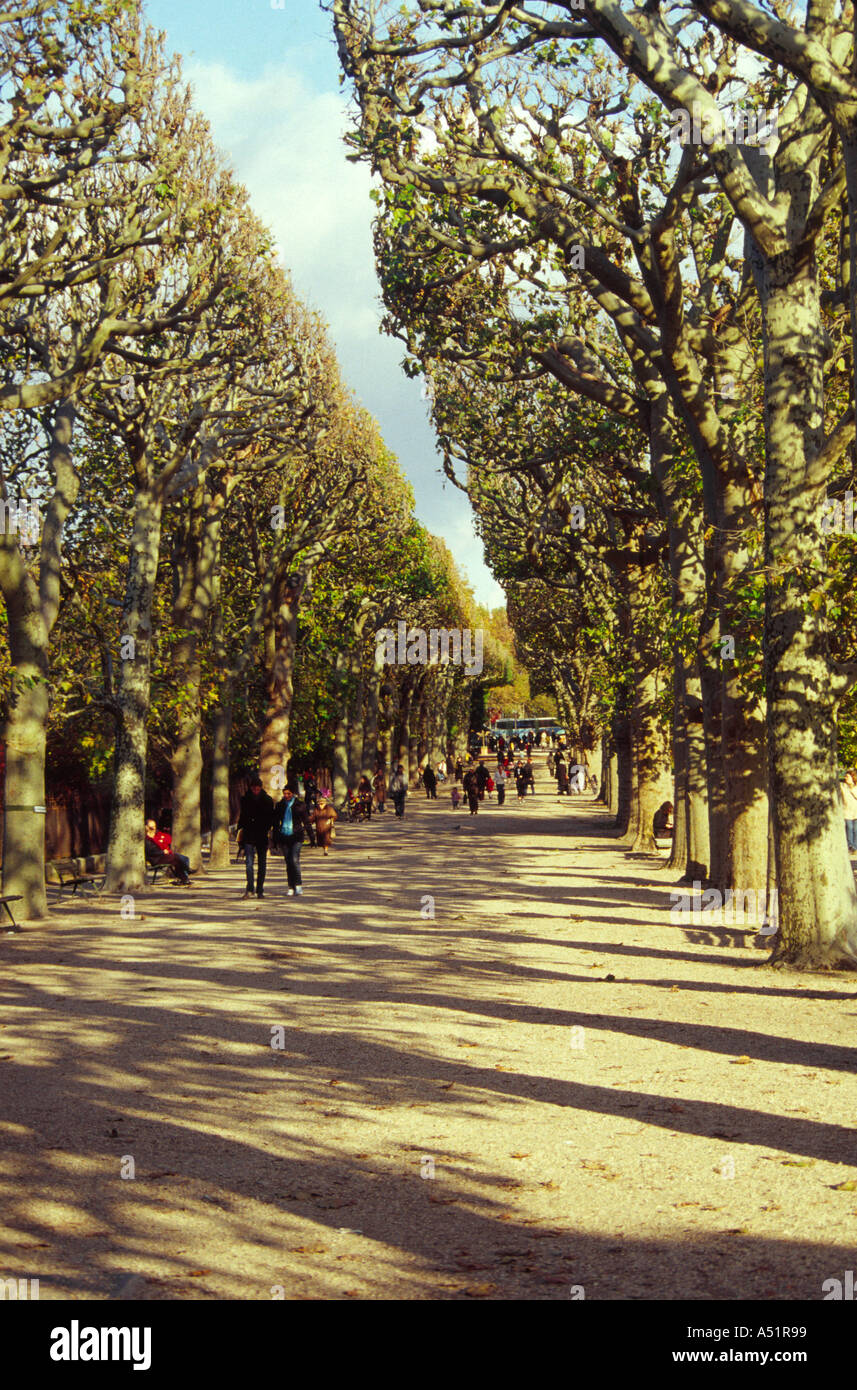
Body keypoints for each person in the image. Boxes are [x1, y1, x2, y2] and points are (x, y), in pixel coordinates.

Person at [237, 776, 275, 899]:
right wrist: (239, 831)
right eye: (253, 788)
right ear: (251, 787)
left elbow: (271, 818)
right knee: (248, 863)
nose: (255, 790)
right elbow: (242, 816)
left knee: (262, 864)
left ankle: (260, 889)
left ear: (260, 787)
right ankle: (249, 888)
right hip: (248, 835)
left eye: (257, 788)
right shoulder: (245, 799)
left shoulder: (268, 800)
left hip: (261, 835)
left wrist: (269, 831)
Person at [273, 784, 312, 895]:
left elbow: (306, 821)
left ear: (293, 793)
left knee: (294, 860)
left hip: (297, 836)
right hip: (284, 836)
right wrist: (275, 838)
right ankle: (291, 886)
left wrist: (312, 837)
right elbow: (276, 823)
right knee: (288, 862)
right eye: (284, 793)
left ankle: (298, 885)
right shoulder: (280, 805)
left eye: (288, 793)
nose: (286, 796)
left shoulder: (300, 805)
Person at [145, 820, 191, 884]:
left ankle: (184, 879)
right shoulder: (146, 839)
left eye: (155, 826)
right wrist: (163, 852)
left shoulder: (157, 835)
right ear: (146, 827)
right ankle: (187, 871)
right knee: (177, 857)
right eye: (151, 827)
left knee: (177, 860)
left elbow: (167, 839)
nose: (153, 829)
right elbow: (150, 852)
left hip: (162, 857)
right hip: (156, 859)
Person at [842, 770, 857, 852]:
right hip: (846, 812)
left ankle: (855, 847)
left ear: (853, 778)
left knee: (855, 830)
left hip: (855, 812)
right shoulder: (842, 787)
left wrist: (852, 789)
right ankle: (850, 846)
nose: (845, 778)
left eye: (848, 776)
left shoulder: (856, 787)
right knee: (849, 829)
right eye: (845, 776)